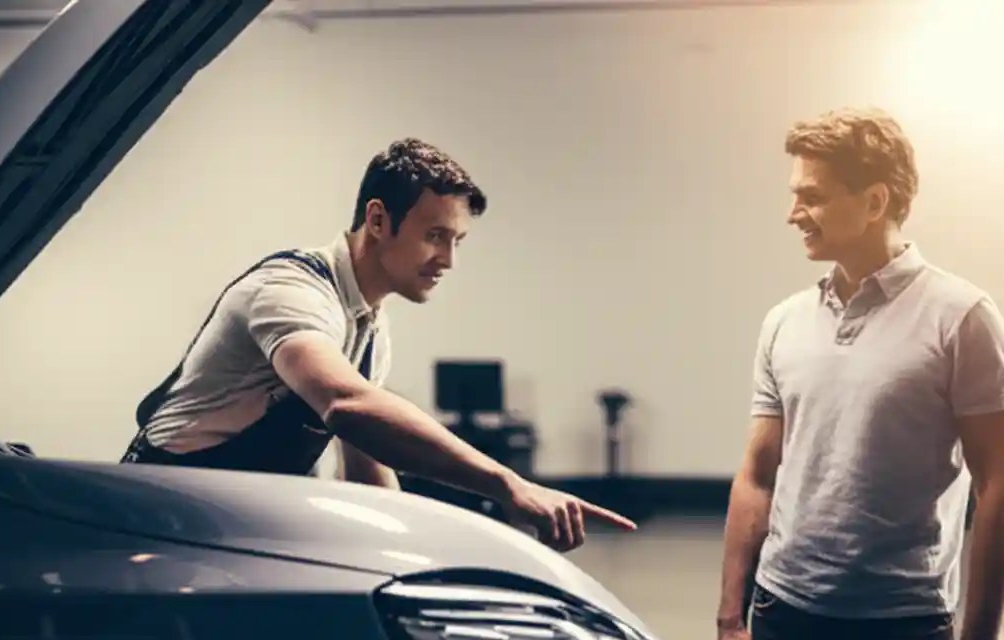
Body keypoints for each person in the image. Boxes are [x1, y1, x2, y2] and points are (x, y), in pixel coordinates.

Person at [121, 138, 635, 551]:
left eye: (457, 241)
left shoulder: (369, 325)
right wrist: (508, 484)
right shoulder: (290, 291)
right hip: (157, 523)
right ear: (377, 219)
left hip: (227, 522)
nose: (448, 260)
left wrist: (408, 556)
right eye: (435, 235)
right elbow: (348, 408)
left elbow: (367, 466)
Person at [712, 108, 1004, 640]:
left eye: (812, 196)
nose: (792, 213)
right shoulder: (784, 322)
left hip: (905, 627)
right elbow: (757, 477)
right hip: (786, 618)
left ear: (875, 200)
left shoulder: (963, 317)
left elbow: (1001, 488)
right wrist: (730, 621)